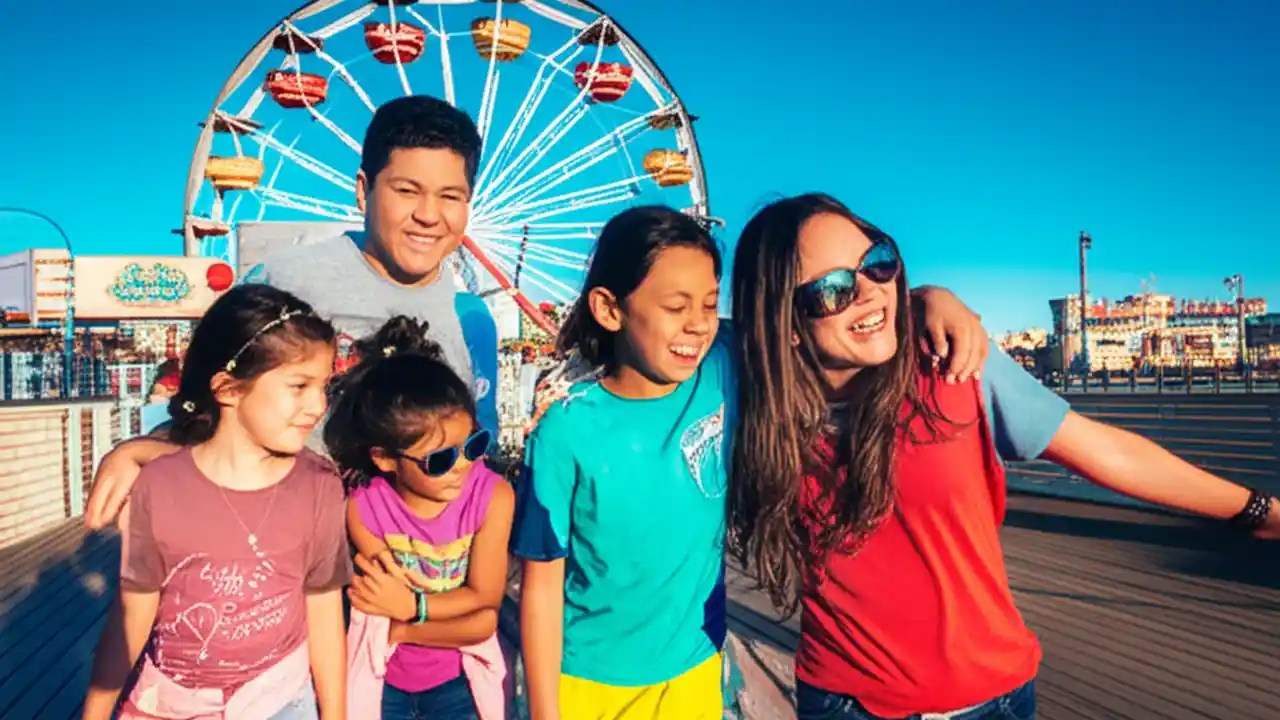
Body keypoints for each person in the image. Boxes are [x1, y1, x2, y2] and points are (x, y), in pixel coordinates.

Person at [726, 193, 1280, 720]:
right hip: (844, 699)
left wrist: (1256, 509)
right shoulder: (746, 403)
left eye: (878, 263)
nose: (872, 292)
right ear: (783, 323)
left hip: (993, 698)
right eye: (834, 289)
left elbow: (1103, 451)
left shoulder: (949, 364)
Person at [510, 205, 990, 719]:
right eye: (676, 306)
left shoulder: (723, 361)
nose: (698, 325)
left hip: (695, 666)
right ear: (609, 309)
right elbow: (541, 585)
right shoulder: (567, 427)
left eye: (710, 304)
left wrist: (927, 300)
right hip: (588, 679)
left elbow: (812, 318)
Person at [83, 94, 499, 530]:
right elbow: (208, 402)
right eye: (406, 190)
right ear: (363, 191)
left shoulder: (471, 317)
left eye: (450, 196)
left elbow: (471, 454)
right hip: (282, 553)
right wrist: (147, 448)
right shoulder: (288, 280)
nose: (429, 215)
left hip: (412, 573)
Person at [83, 284, 350, 720]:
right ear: (228, 389)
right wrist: (95, 711)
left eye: (324, 386)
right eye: (299, 386)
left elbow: (323, 610)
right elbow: (133, 613)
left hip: (280, 700)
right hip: (168, 702)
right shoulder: (159, 486)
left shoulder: (318, 485)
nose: (317, 405)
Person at [324, 316, 515, 720]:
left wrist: (413, 612)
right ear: (385, 459)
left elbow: (484, 608)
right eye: (440, 459)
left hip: (458, 680)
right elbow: (384, 601)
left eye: (473, 445)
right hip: (384, 679)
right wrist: (430, 611)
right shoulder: (363, 507)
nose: (463, 465)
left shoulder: (492, 495)